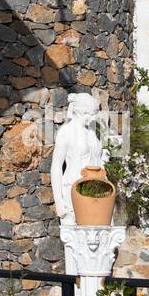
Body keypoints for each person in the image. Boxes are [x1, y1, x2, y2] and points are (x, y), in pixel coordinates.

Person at [50, 91, 107, 223]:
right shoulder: (66, 132)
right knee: (76, 237)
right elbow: (56, 166)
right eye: (91, 114)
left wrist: (104, 157)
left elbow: (97, 159)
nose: (93, 118)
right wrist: (58, 201)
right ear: (81, 112)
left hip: (96, 190)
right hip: (74, 189)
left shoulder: (92, 132)